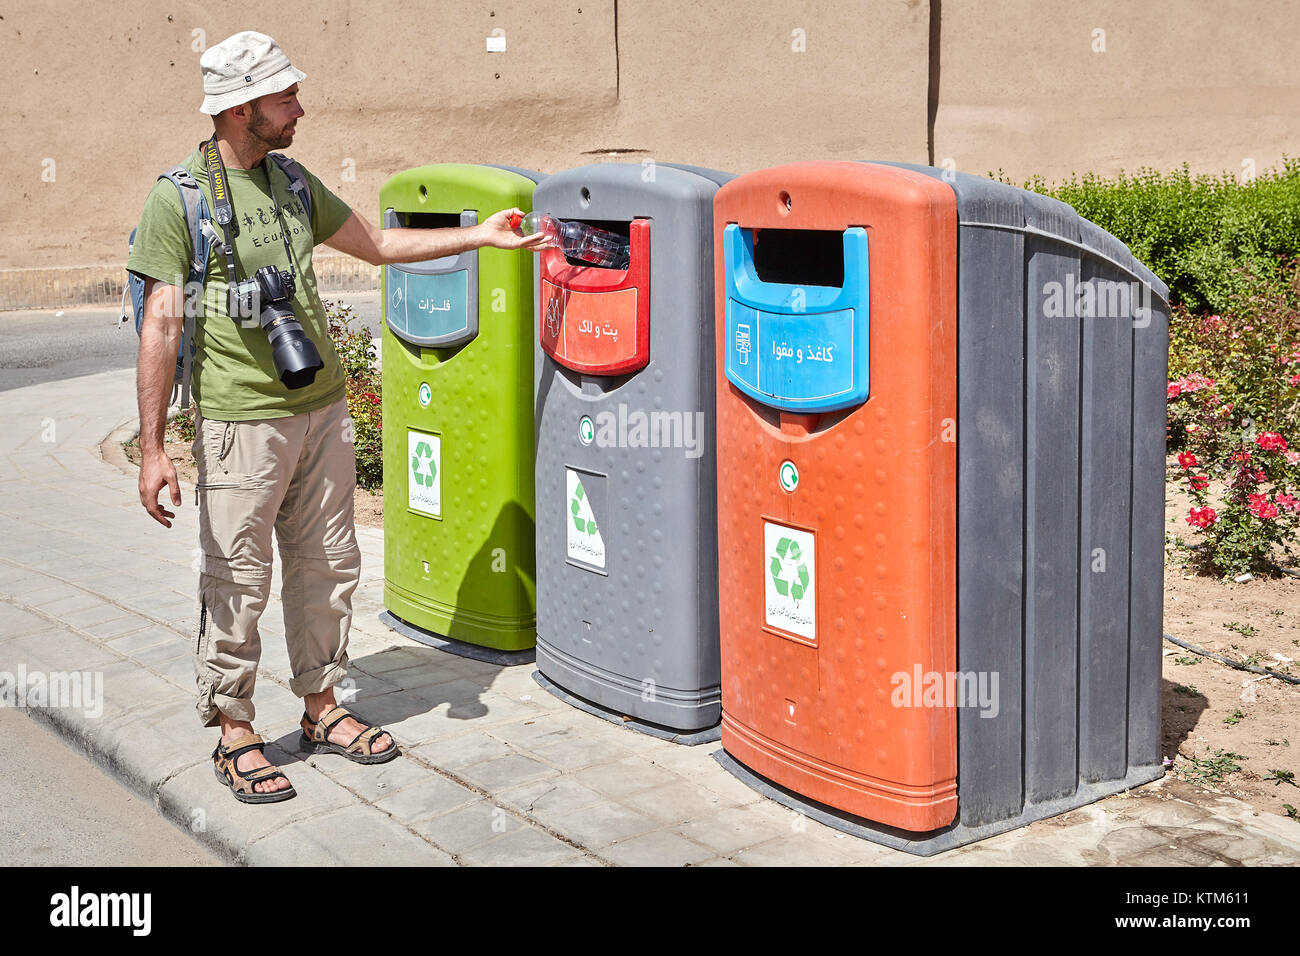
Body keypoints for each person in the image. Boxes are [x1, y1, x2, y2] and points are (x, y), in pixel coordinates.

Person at [129, 30, 547, 803]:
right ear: (243, 107)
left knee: (327, 566)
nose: (299, 109)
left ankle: (323, 707)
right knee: (238, 578)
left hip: (319, 411)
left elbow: (380, 243)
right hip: (239, 421)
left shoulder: (292, 182)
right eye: (285, 98)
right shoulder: (178, 198)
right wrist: (154, 448)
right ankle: (235, 730)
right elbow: (160, 325)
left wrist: (484, 237)